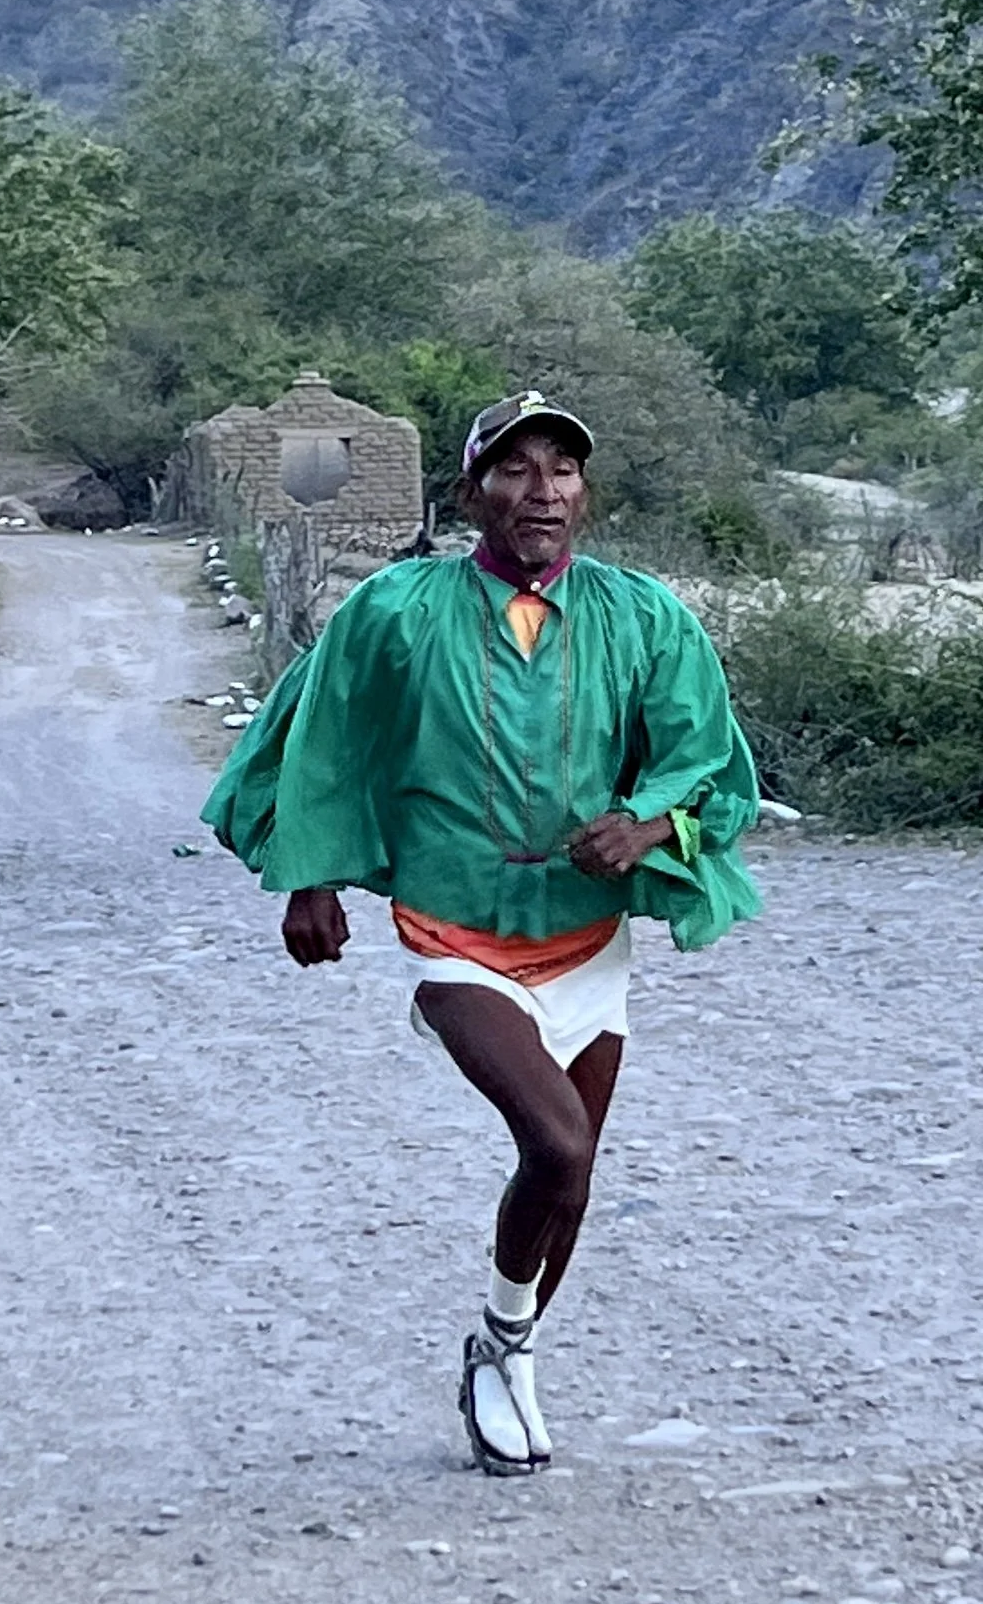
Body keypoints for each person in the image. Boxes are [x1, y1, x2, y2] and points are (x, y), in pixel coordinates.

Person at [204, 390, 760, 1475]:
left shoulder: (646, 618)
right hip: (452, 926)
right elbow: (322, 737)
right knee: (555, 1140)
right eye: (513, 469)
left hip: (584, 935)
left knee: (575, 1174)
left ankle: (507, 1352)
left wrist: (646, 827)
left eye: (560, 468)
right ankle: (505, 1345)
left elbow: (707, 763)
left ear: (584, 494)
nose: (539, 488)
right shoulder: (396, 611)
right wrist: (307, 877)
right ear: (472, 493)